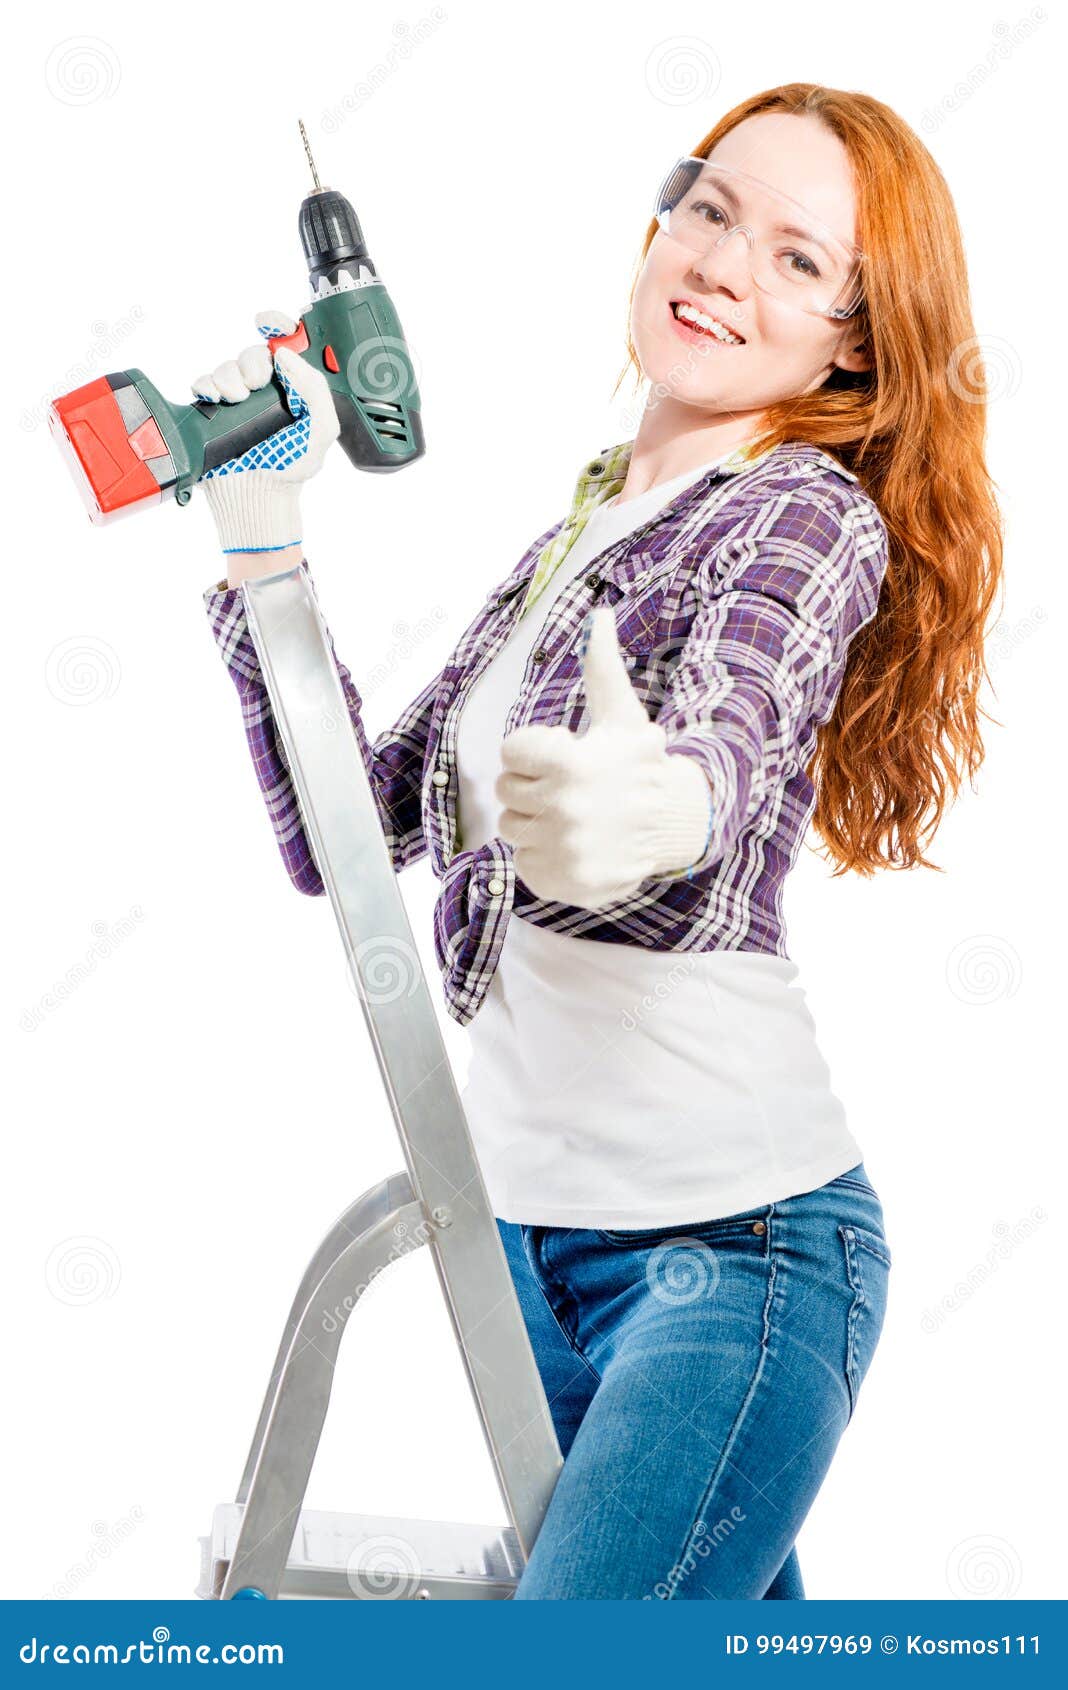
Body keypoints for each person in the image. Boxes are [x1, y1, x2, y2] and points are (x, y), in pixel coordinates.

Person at [197, 83, 1003, 1598]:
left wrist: (662, 811)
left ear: (854, 340)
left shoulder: (801, 518)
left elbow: (731, 729)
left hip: (743, 1261)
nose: (720, 263)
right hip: (530, 1256)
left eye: (796, 259)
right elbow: (349, 836)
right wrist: (265, 557)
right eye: (708, 210)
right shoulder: (575, 537)